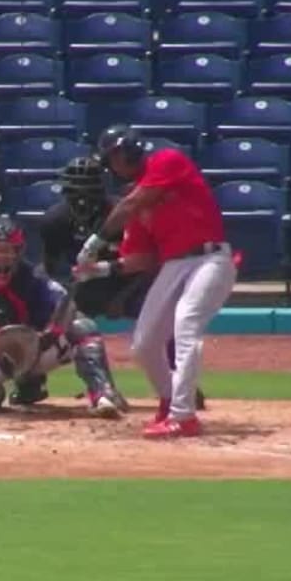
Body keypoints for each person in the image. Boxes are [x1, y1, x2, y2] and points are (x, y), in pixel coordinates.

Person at [74, 125, 237, 439]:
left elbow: (131, 205)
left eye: (114, 158)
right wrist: (99, 270)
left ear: (126, 152)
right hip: (174, 265)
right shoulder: (135, 200)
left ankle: (183, 415)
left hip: (210, 259)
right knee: (145, 342)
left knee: (185, 325)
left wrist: (94, 243)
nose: (114, 166)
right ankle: (168, 399)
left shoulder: (166, 161)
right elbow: (142, 259)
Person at [38, 154, 209, 411]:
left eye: (90, 190)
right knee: (55, 318)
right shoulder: (53, 220)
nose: (83, 198)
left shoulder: (121, 213)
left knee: (169, 317)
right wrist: (67, 292)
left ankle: (180, 386)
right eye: (76, 191)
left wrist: (112, 279)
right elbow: (51, 269)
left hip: (129, 285)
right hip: (83, 289)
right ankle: (49, 383)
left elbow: (148, 260)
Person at [0, 215, 128, 417]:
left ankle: (103, 392)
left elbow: (67, 306)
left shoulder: (33, 280)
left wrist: (47, 336)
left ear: (18, 252)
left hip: (37, 352)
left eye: (8, 251)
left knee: (83, 327)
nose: (1, 257)